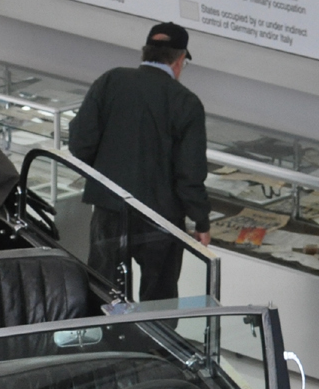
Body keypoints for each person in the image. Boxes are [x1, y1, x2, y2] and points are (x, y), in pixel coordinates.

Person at [68, 21, 212, 303]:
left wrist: (107, 173)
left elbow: (80, 142)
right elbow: (189, 173)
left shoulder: (111, 81)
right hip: (161, 217)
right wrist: (201, 220)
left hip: (110, 208)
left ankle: (103, 339)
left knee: (103, 288)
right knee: (159, 295)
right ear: (180, 61)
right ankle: (153, 346)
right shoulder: (186, 102)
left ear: (145, 53)